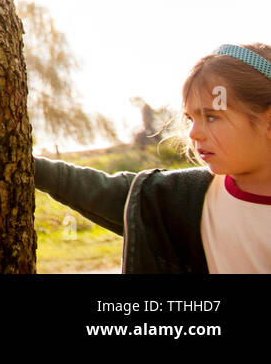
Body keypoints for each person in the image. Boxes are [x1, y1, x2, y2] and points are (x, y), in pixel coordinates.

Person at [35, 42, 271, 273]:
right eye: (190, 119)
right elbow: (105, 192)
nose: (194, 133)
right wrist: (31, 168)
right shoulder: (183, 196)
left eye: (211, 117)